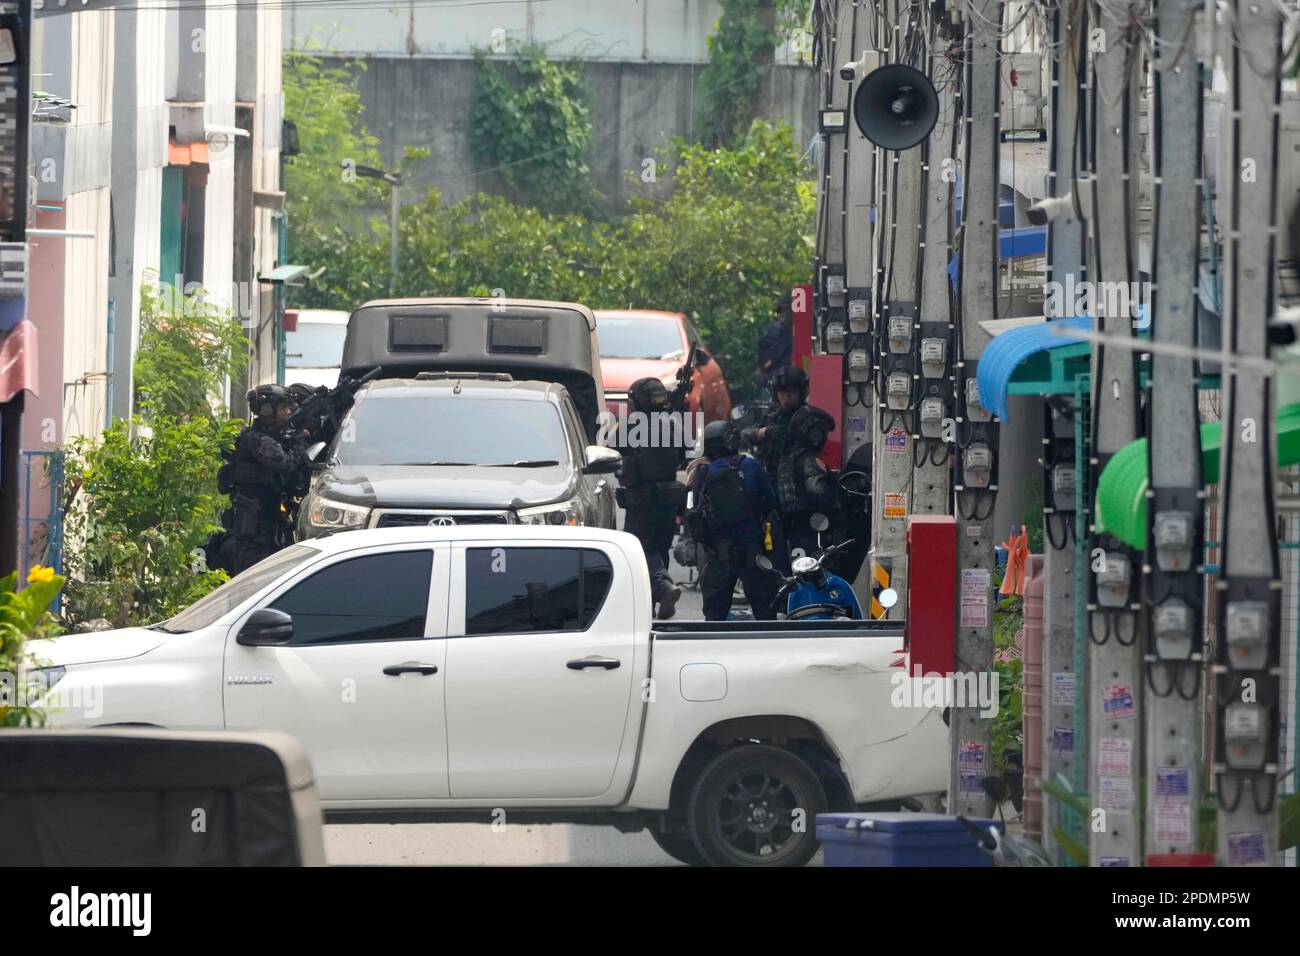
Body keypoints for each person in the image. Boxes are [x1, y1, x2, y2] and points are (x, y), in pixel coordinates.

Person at [687, 420, 780, 621]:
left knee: (714, 619)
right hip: (753, 554)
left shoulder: (702, 474)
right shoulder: (750, 466)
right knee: (766, 614)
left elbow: (694, 514)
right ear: (733, 441)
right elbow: (772, 501)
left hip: (719, 556)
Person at [616, 377, 687, 617]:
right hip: (669, 501)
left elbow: (611, 446)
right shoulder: (674, 423)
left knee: (641, 550)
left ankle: (662, 588)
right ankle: (658, 599)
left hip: (643, 501)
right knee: (660, 549)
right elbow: (684, 451)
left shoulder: (632, 426)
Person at [227, 385, 308, 574]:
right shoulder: (255, 440)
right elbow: (286, 463)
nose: (289, 412)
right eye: (283, 408)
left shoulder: (274, 438)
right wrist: (302, 436)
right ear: (267, 412)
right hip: (254, 539)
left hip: (271, 532)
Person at [775, 404, 839, 562]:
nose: (824, 437)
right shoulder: (810, 461)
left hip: (794, 534)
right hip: (814, 533)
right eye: (822, 432)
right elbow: (821, 493)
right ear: (813, 434)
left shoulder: (787, 459)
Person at [756, 294, 794, 391]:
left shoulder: (804, 332)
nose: (786, 314)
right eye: (783, 311)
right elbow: (764, 362)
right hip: (774, 383)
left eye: (789, 310)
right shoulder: (772, 333)